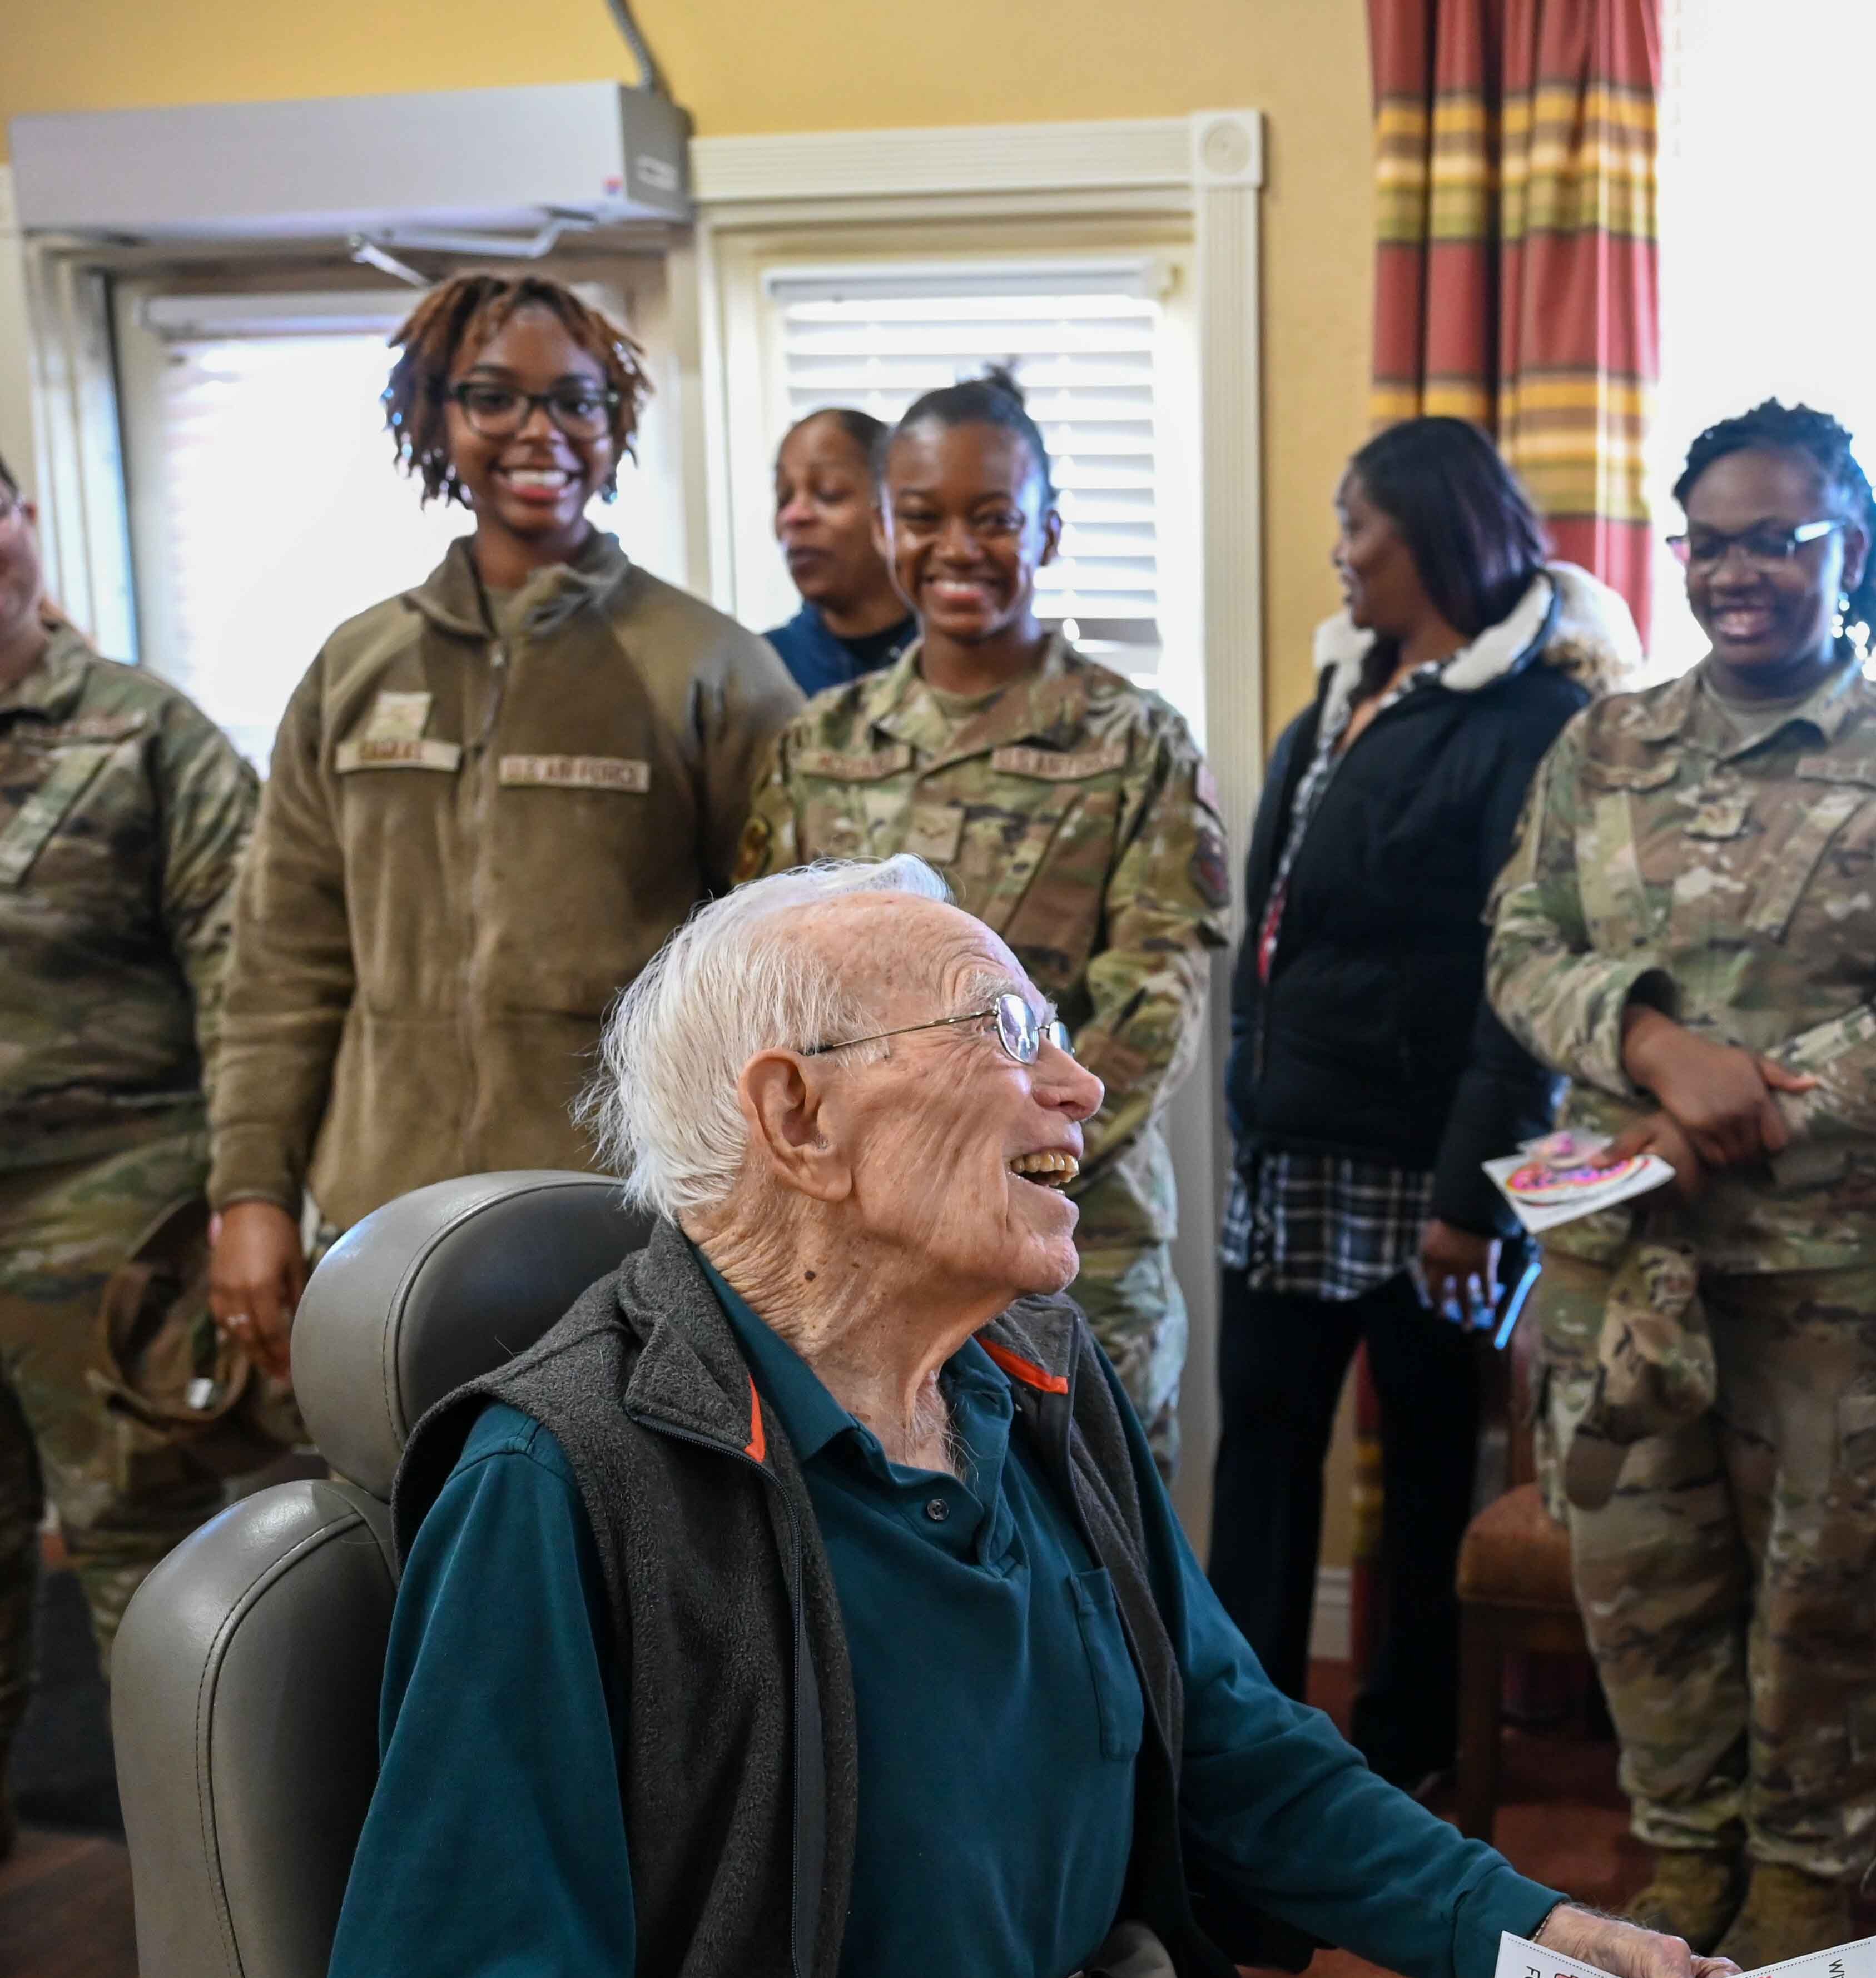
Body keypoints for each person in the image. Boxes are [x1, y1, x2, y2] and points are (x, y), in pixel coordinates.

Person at [291, 857, 1858, 1978]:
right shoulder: (565, 1484)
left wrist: (1537, 1930)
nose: (1087, 1086)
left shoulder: (1027, 1367)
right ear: (796, 1116)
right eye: (1007, 1031)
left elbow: (1234, 1744)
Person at [1486, 402, 1876, 1968]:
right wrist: (1647, 1040)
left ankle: (1801, 1892)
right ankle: (1685, 1859)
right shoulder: (1604, 746)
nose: (1741, 570)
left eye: (1783, 537)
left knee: (1818, 1609)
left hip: (1840, 1286)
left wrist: (1733, 1108)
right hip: (1627, 1262)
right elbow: (1520, 948)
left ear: (1854, 551)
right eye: (1710, 538)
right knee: (1642, 1589)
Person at [204, 272, 803, 1386]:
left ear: (614, 424)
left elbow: (791, 964)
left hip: (621, 1222)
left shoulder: (708, 667)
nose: (541, 432)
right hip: (383, 1224)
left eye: (575, 401)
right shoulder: (354, 666)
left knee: (614, 1540)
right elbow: (282, 959)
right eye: (495, 398)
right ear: (434, 416)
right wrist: (249, 1191)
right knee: (397, 1534)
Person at [1205, 419, 1636, 1781]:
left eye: (1359, 525)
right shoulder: (1340, 696)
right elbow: (1272, 929)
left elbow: (1526, 977)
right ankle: (1247, 1749)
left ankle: (1404, 1758)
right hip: (1291, 1156)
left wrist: (1472, 1198)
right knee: (1261, 1470)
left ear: (1437, 533)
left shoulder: (1536, 721)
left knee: (1429, 1477)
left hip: (1425, 1175)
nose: (1340, 551)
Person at [744, 369, 1225, 1469]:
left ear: (1046, 531)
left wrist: (990, 1157)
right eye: (922, 517)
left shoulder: (1135, 740)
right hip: (866, 1247)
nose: (956, 547)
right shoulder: (822, 744)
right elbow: (768, 989)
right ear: (883, 525)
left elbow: (1158, 996)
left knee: (1100, 1575)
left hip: (1073, 1239)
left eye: (993, 518)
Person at [0, 451, 263, 1855]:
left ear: (26, 519)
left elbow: (247, 968)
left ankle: (212, 1905)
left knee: (142, 1579)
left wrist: (245, 1194)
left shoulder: (142, 730)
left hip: (111, 1225)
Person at [765, 408, 919, 697]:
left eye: (829, 492)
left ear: (893, 509)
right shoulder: (759, 671)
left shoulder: (957, 661)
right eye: (784, 497)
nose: (794, 516)